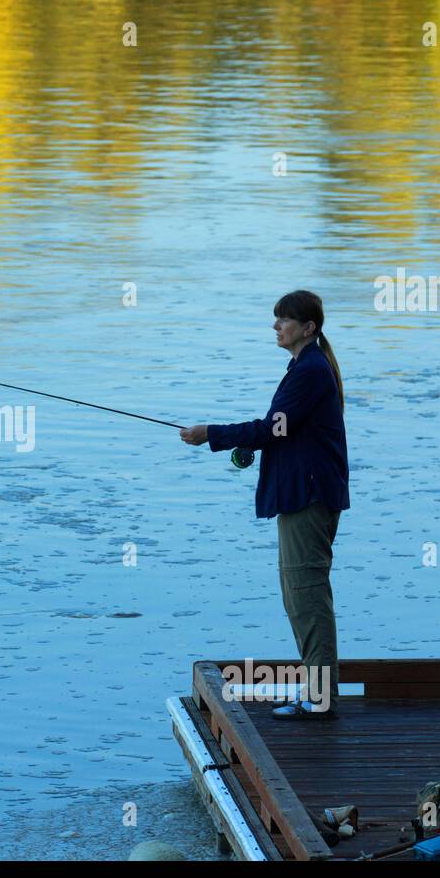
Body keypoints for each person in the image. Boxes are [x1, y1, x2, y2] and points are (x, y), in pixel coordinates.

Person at [179, 290, 349, 719]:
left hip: (309, 497)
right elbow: (284, 430)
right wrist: (246, 445)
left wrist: (212, 434)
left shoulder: (309, 369)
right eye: (275, 320)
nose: (276, 327)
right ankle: (316, 692)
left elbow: (272, 428)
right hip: (302, 494)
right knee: (298, 596)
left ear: (307, 328)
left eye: (283, 320)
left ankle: (320, 697)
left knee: (306, 597)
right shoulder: (304, 366)